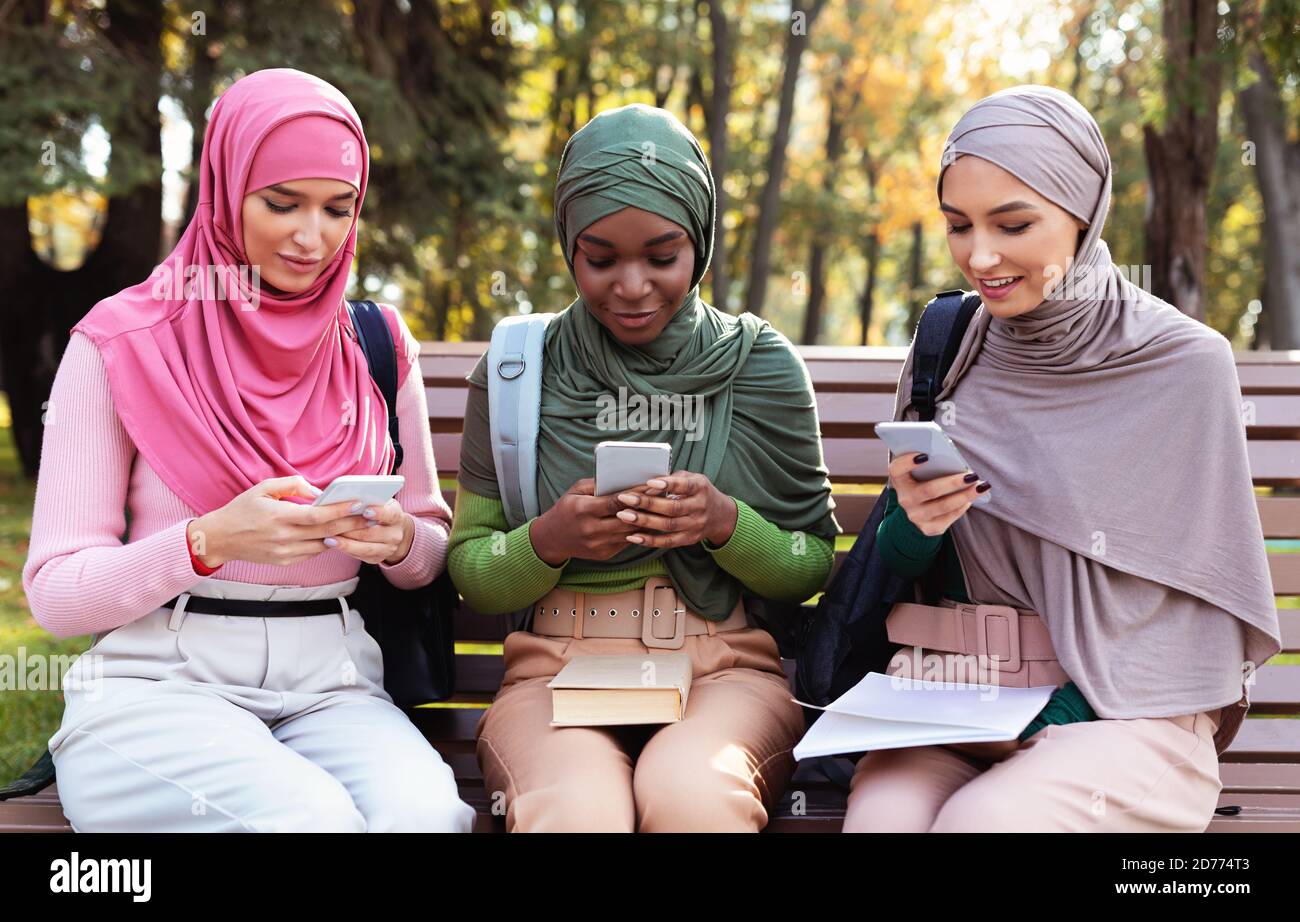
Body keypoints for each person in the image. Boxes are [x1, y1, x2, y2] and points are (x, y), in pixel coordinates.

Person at [22, 68, 475, 833]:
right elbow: (56, 592)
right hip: (160, 685)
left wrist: (398, 541)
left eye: (338, 209)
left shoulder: (374, 343)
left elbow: (430, 545)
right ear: (227, 191)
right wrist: (207, 541)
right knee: (311, 824)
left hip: (334, 684)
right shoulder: (120, 341)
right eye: (281, 203)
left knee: (426, 819)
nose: (312, 237)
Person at [842, 84, 1282, 833]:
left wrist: (1060, 708)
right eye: (957, 226)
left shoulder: (1184, 365)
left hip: (1132, 716)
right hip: (957, 698)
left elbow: (1198, 613)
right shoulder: (947, 344)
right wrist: (912, 529)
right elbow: (904, 567)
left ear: (1084, 211)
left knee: (982, 826)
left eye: (1013, 224)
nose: (980, 255)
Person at [448, 103, 840, 832]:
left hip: (722, 670)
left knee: (694, 796)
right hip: (554, 671)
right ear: (570, 246)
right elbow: (472, 567)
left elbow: (809, 561)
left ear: (701, 242)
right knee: (576, 809)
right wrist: (550, 540)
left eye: (662, 257)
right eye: (601, 259)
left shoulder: (760, 365)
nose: (631, 286)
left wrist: (725, 524)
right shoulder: (513, 370)